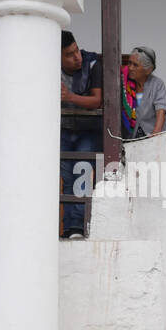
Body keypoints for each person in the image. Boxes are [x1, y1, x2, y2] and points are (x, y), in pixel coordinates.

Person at [59, 31, 103, 238]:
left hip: (88, 130)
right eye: (69, 54)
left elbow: (97, 101)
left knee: (82, 175)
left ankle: (78, 226)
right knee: (67, 179)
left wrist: (69, 96)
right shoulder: (47, 67)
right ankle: (70, 228)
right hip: (63, 130)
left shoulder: (93, 63)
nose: (77, 57)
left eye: (76, 50)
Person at [124, 47, 166, 137]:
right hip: (133, 136)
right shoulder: (125, 83)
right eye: (129, 63)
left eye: (135, 65)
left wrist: (155, 134)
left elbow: (161, 110)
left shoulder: (157, 84)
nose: (130, 68)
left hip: (158, 135)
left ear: (148, 70)